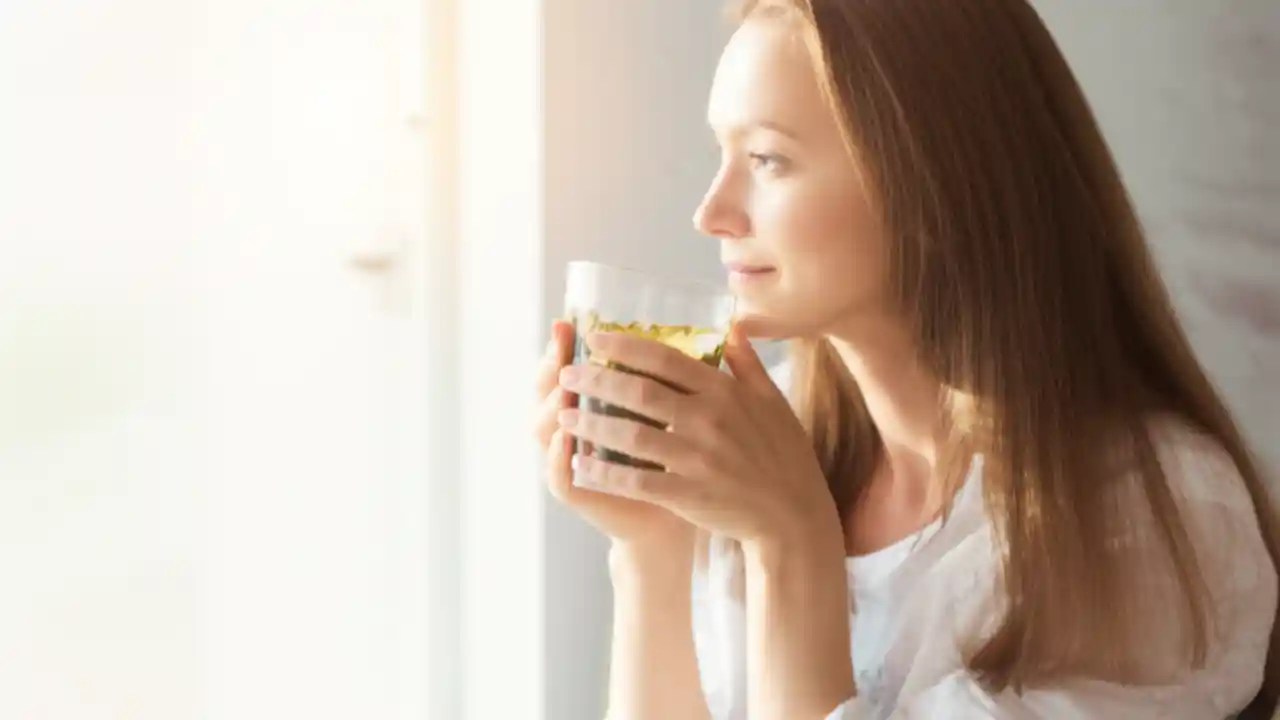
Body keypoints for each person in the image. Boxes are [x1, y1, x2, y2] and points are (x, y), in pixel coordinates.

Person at [532, 1, 1279, 718]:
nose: (711, 212)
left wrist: (793, 543)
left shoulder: (1148, 512)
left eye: (767, 159)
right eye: (723, 153)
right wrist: (653, 545)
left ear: (932, 180)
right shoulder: (767, 440)